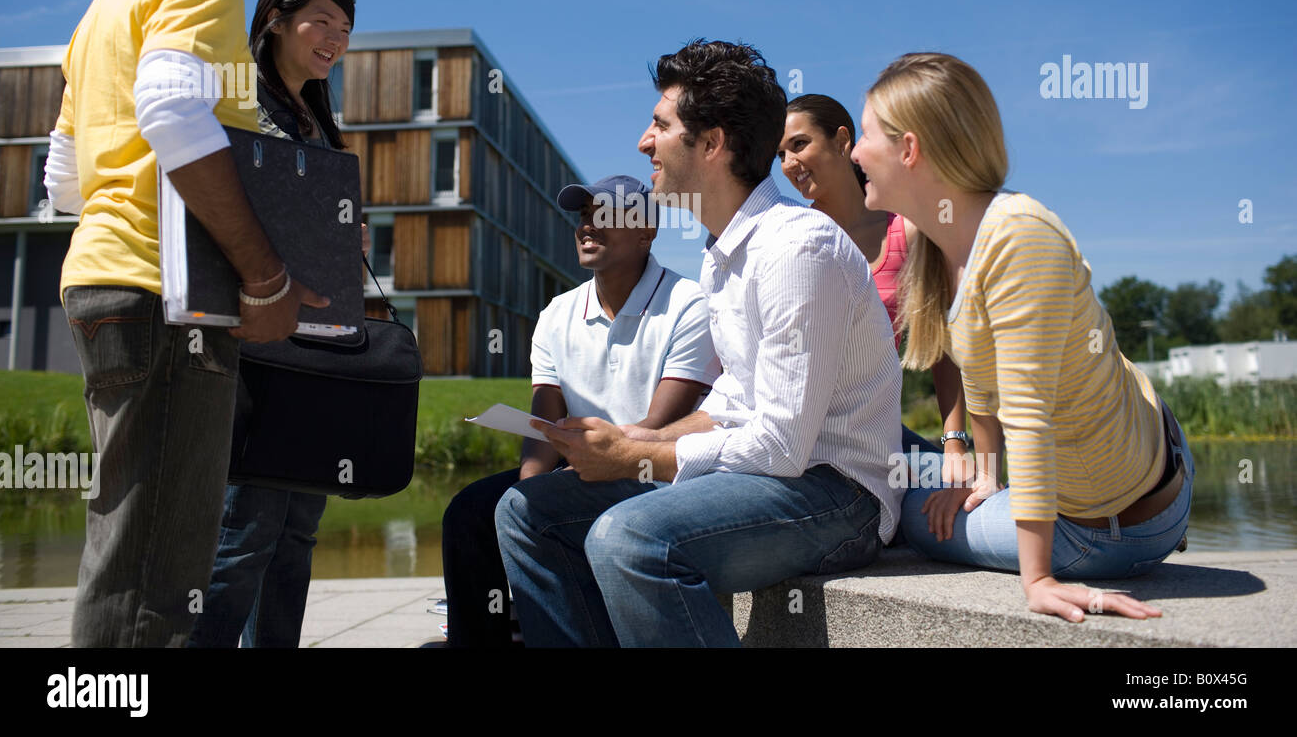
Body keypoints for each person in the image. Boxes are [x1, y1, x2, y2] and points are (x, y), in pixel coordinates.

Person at [494, 39, 902, 647]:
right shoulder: (722, 254)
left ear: (710, 144)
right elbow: (735, 403)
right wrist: (642, 437)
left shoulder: (795, 248)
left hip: (837, 496)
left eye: (660, 125)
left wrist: (638, 459)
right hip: (777, 477)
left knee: (630, 539)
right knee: (525, 513)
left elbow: (783, 446)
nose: (643, 142)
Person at [44, 0, 328, 648]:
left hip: (100, 283)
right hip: (166, 298)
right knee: (161, 572)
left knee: (125, 539)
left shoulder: (102, 5)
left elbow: (63, 183)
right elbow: (172, 113)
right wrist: (265, 279)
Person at [851, 52, 1193, 623]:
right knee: (900, 464)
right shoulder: (945, 245)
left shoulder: (1017, 234)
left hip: (1113, 526)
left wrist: (1038, 579)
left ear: (909, 150)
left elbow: (1029, 412)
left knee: (910, 508)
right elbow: (983, 385)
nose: (856, 154)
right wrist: (985, 479)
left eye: (864, 135)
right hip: (1106, 482)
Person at [441, 175, 720, 647]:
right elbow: (543, 427)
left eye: (605, 216)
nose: (588, 227)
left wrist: (553, 493)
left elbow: (659, 427)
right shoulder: (556, 314)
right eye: (584, 217)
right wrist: (531, 490)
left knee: (537, 509)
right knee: (470, 511)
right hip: (581, 466)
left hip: (655, 468)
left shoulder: (689, 304)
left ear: (647, 231)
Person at [188, 0, 356, 648]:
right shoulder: (241, 107)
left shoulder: (316, 122)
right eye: (321, 20)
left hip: (311, 348)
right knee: (244, 530)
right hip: (257, 346)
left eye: (345, 28)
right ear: (276, 21)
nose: (335, 38)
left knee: (296, 532)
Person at [778, 94, 971, 489]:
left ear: (842, 140)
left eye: (798, 144)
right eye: (779, 154)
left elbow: (942, 348)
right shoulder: (788, 238)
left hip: (875, 441)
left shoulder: (910, 233)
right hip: (794, 440)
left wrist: (955, 448)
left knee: (967, 499)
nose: (788, 164)